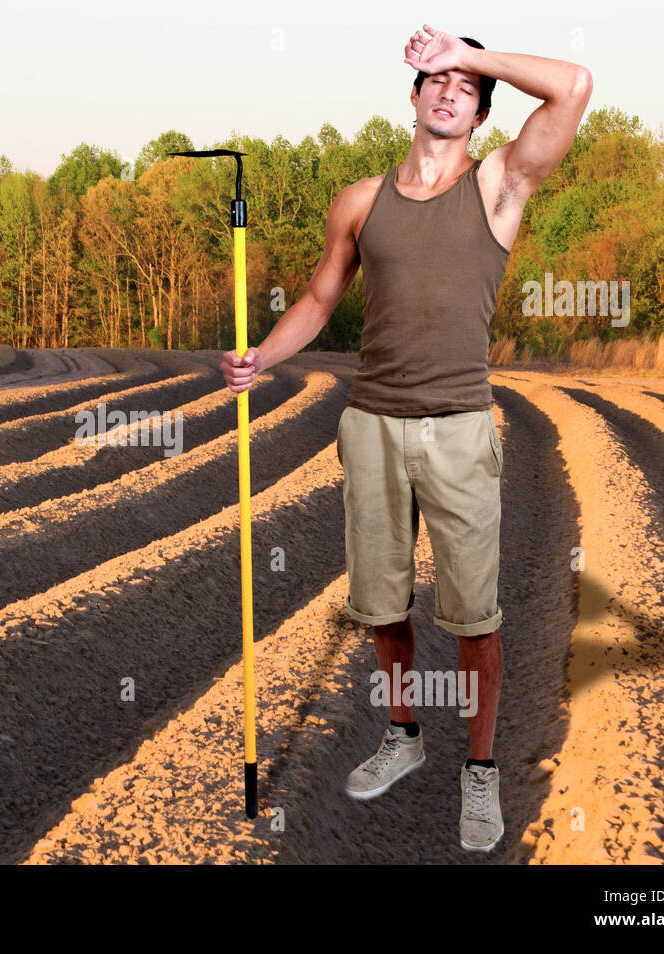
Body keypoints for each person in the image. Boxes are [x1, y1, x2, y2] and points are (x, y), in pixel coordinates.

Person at [219, 25, 591, 852]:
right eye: (439, 80)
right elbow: (318, 301)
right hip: (372, 426)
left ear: (482, 110)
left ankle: (481, 774)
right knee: (385, 605)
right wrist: (258, 359)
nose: (451, 91)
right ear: (415, 93)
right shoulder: (360, 200)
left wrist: (466, 48)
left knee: (474, 619)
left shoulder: (498, 186)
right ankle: (404, 736)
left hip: (459, 429)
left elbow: (574, 84)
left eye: (467, 86)